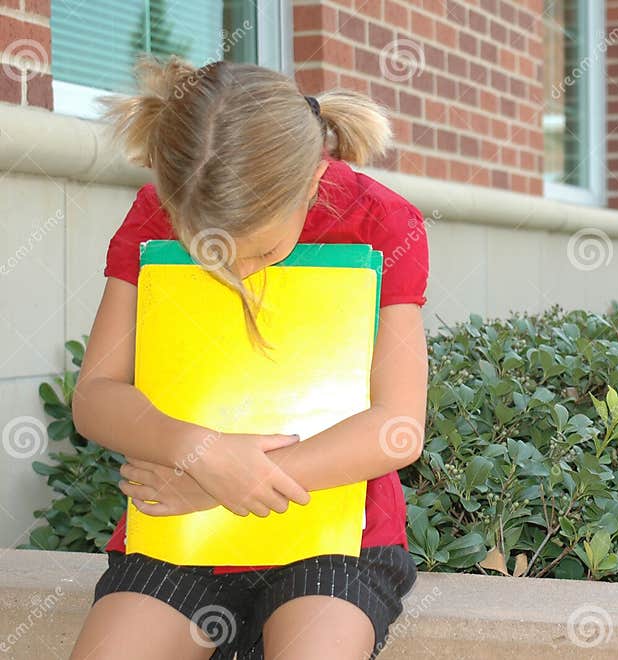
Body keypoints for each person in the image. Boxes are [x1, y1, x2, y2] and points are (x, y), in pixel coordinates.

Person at [69, 53, 430, 660]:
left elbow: (396, 430)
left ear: (314, 179)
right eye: (210, 252)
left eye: (260, 251)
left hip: (336, 537)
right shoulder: (153, 215)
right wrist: (199, 452)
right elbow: (95, 397)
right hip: (178, 532)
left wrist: (221, 483)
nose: (237, 273)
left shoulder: (379, 221)